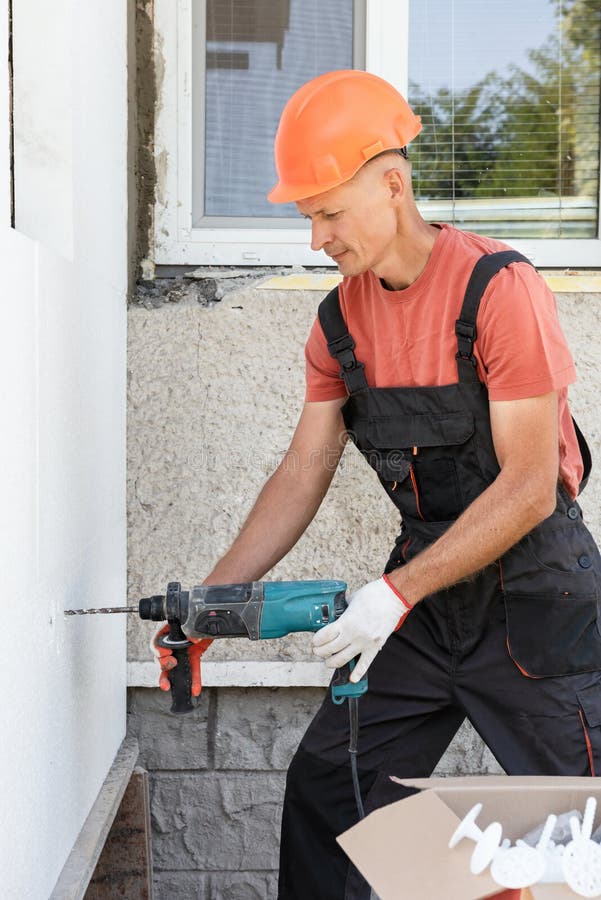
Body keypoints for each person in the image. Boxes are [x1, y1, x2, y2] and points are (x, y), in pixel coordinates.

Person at [154, 70, 601, 900]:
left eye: (329, 211)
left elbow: (531, 486)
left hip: (536, 600)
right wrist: (211, 604)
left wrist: (390, 596)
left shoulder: (498, 289)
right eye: (306, 217)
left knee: (583, 827)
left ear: (391, 185)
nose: (316, 236)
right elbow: (301, 474)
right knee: (330, 795)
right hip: (424, 608)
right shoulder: (337, 325)